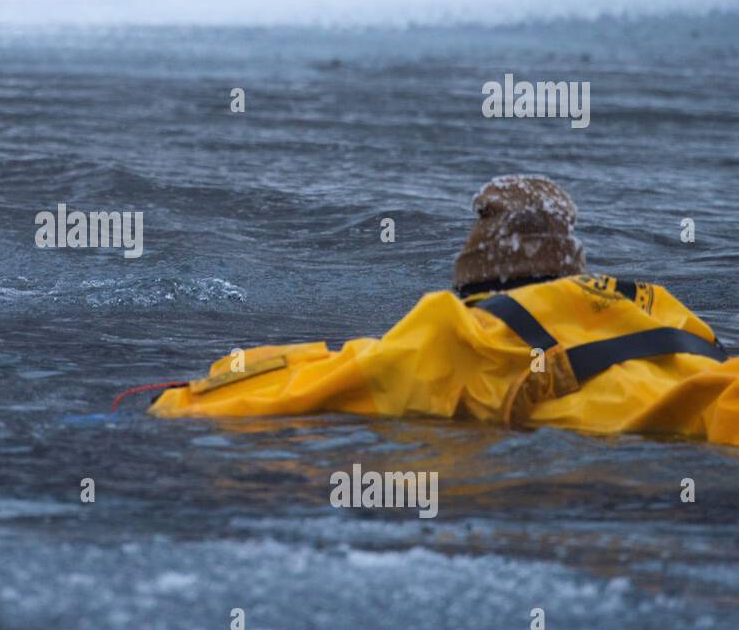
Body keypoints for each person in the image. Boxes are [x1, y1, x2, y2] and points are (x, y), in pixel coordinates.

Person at [148, 175, 739, 443]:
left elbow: (326, 381)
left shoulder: (468, 331)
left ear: (478, 268)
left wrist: (182, 398)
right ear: (570, 262)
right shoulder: (658, 304)